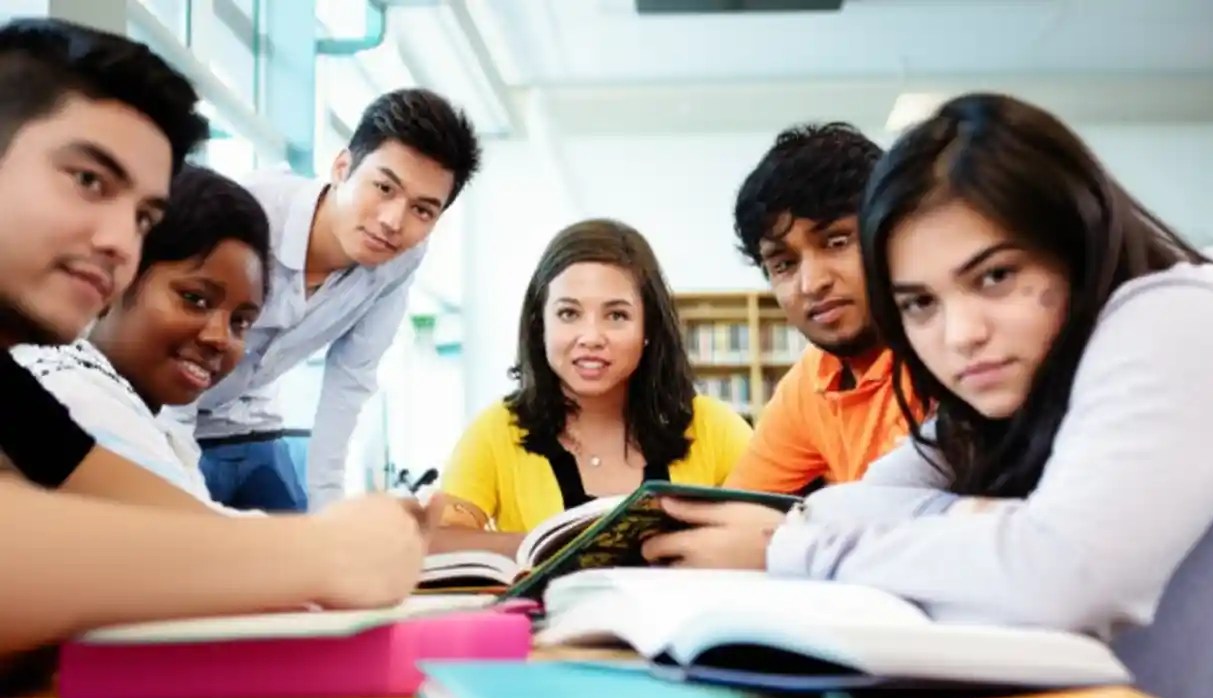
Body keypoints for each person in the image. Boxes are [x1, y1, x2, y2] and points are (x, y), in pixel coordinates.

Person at [642, 93, 1213, 698]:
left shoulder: (1187, 316)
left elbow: (1060, 576)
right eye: (921, 302)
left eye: (995, 277)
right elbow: (854, 501)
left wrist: (792, 547)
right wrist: (979, 526)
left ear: (1076, 244)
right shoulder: (1018, 379)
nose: (959, 334)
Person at [0, 17, 422, 669]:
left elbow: (178, 521)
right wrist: (325, 554)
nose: (121, 241)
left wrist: (355, 542)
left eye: (143, 216)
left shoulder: (18, 394)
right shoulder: (68, 378)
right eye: (88, 180)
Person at [169, 88, 482, 513]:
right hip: (158, 408)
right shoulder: (247, 213)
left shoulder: (400, 259)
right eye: (384, 187)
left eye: (423, 210)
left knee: (306, 551)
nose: (393, 222)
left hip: (245, 420)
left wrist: (330, 514)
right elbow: (179, 347)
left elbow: (351, 378)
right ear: (341, 167)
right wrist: (185, 490)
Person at [432, 219, 753, 556]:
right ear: (539, 323)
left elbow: (780, 527)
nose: (590, 338)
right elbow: (438, 541)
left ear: (648, 328)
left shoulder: (712, 424)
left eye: (616, 316)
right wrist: (554, 548)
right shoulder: (497, 430)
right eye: (569, 313)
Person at [13, 164, 269, 513]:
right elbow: (199, 540)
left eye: (240, 322)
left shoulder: (146, 413)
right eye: (195, 299)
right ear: (118, 279)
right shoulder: (72, 394)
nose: (220, 338)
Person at [724, 123, 921, 495]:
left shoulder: (945, 356)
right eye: (783, 264)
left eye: (836, 241)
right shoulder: (812, 380)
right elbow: (736, 507)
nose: (812, 283)